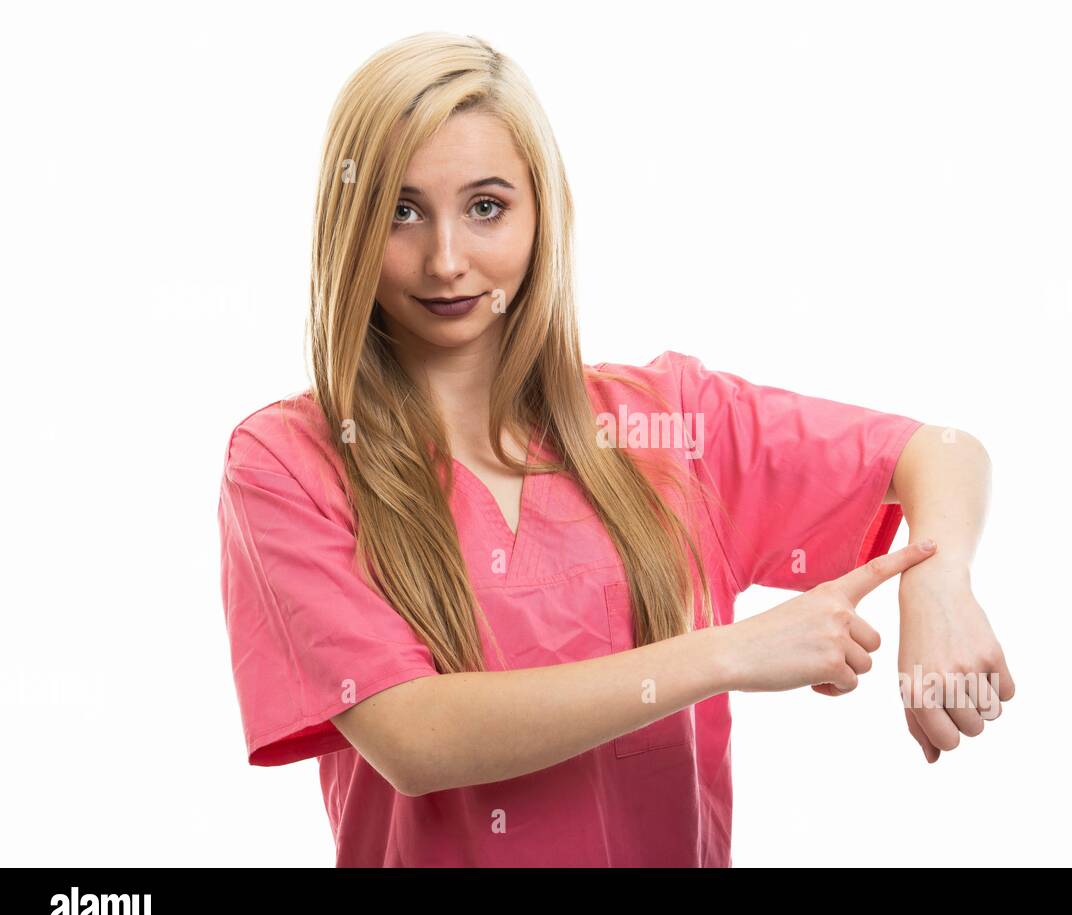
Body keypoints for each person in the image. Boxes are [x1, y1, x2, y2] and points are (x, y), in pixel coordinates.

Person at [217, 31, 1014, 867]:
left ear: (541, 212)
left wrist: (939, 581)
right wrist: (728, 652)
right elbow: (413, 737)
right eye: (402, 211)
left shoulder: (667, 421)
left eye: (486, 206)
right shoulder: (287, 461)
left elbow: (939, 451)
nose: (446, 260)